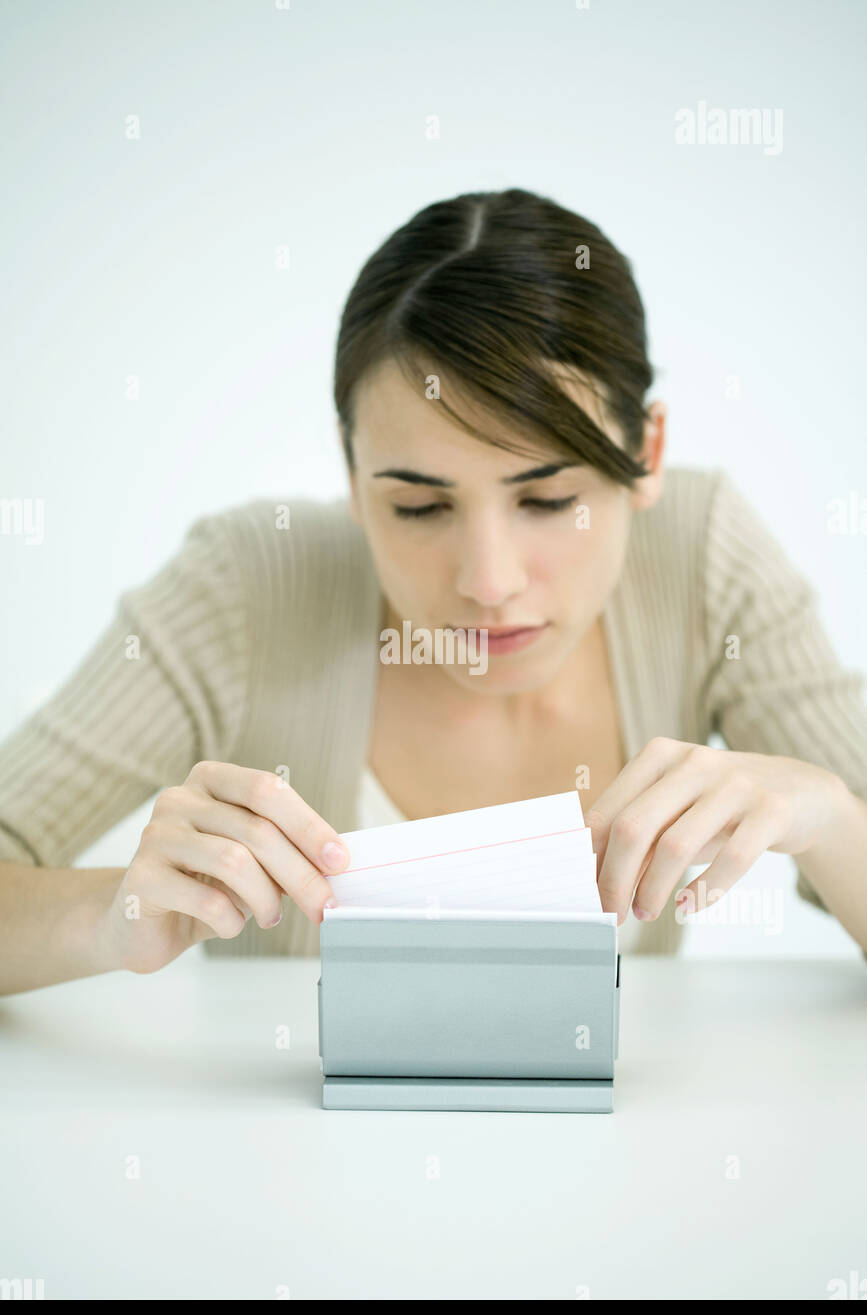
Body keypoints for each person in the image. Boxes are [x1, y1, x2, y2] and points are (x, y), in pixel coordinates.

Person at [2, 187, 866, 996]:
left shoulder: (701, 553)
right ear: (348, 473)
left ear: (646, 453)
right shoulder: (245, 584)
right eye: (418, 506)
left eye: (549, 499)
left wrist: (830, 817)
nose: (488, 582)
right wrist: (107, 917)